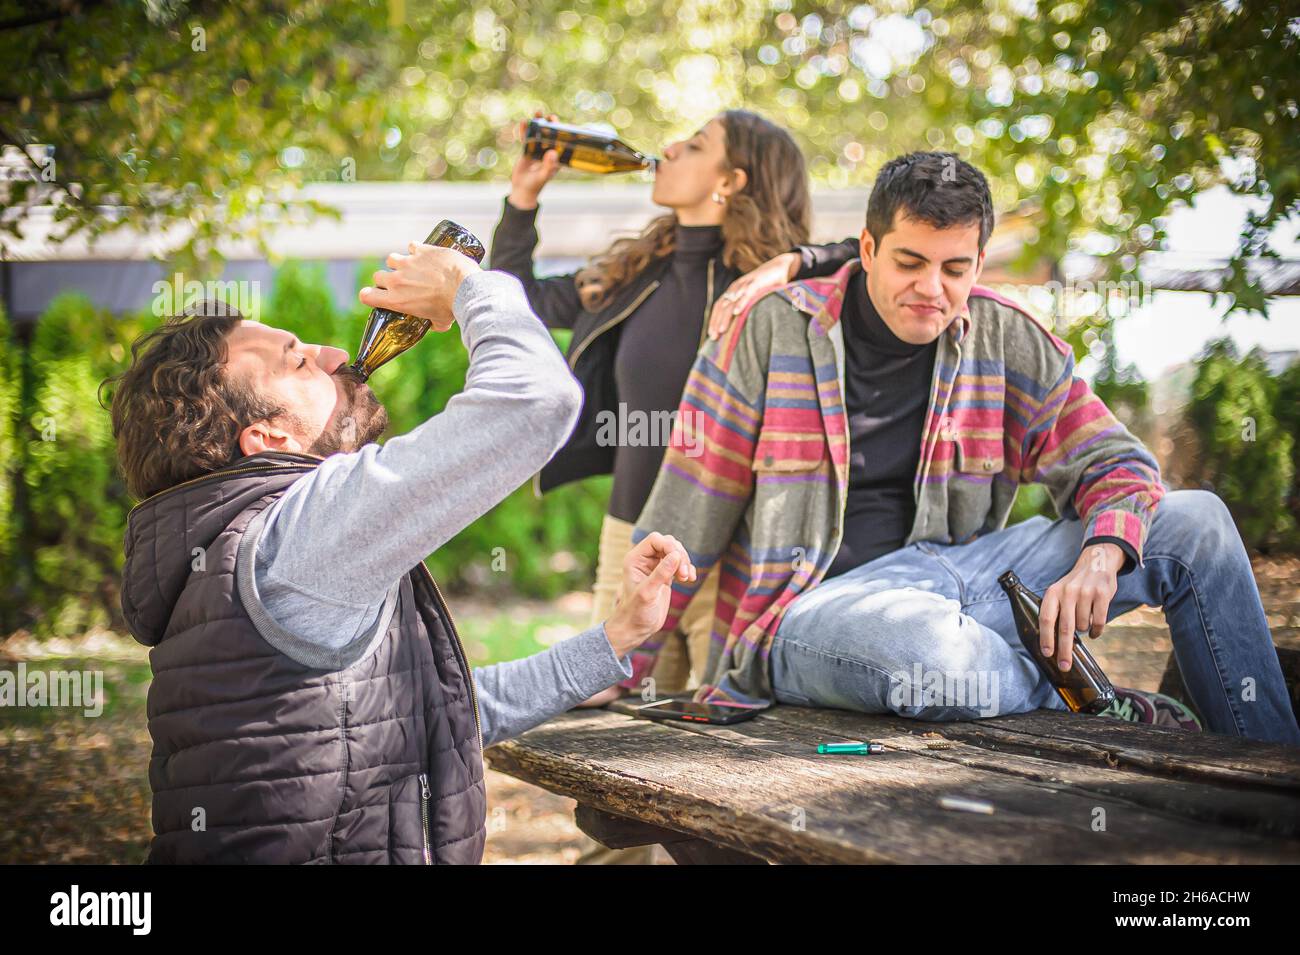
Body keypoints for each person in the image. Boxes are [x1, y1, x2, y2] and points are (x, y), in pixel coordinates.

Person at [622, 150, 1300, 746]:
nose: (931, 289)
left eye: (954, 268)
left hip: (970, 581)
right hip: (817, 617)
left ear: (979, 261)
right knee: (923, 652)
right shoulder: (772, 330)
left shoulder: (1010, 340)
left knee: (1199, 523)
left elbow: (1116, 464)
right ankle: (1095, 704)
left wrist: (1103, 552)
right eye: (909, 262)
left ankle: (1270, 782)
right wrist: (620, 656)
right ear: (865, 249)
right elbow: (688, 506)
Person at [103, 241, 697, 863]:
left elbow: (436, 712)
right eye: (299, 361)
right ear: (267, 436)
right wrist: (469, 284)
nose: (335, 355)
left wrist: (614, 640)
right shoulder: (296, 531)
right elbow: (537, 403)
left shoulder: (246, 550)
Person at [490, 108, 811, 700]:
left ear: (732, 180)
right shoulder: (634, 274)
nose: (668, 148)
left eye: (693, 145)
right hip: (629, 539)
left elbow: (867, 261)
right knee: (607, 725)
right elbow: (516, 298)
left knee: (723, 733)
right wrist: (524, 197)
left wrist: (793, 262)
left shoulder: (773, 291)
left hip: (726, 550)